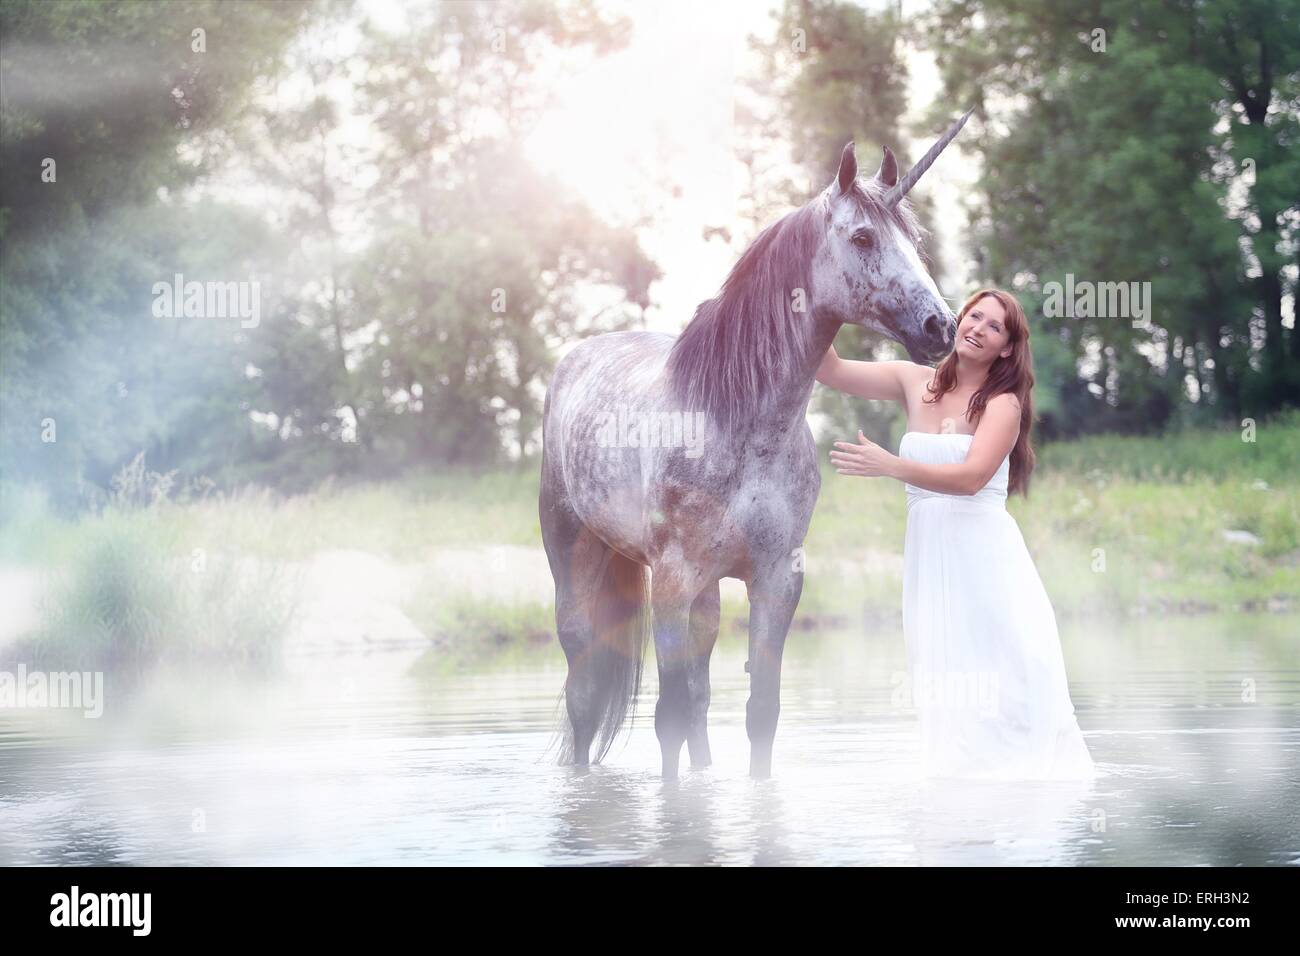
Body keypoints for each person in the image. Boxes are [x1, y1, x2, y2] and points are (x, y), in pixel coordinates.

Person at [819, 288, 1096, 780]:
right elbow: (832, 371)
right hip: (931, 558)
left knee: (1008, 670)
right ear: (959, 318)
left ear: (1007, 347)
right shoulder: (913, 380)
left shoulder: (1003, 405)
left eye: (994, 326)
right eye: (974, 316)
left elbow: (970, 479)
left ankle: (1025, 804)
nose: (978, 328)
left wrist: (892, 465)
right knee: (946, 677)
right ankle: (963, 805)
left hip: (985, 559)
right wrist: (819, 301)